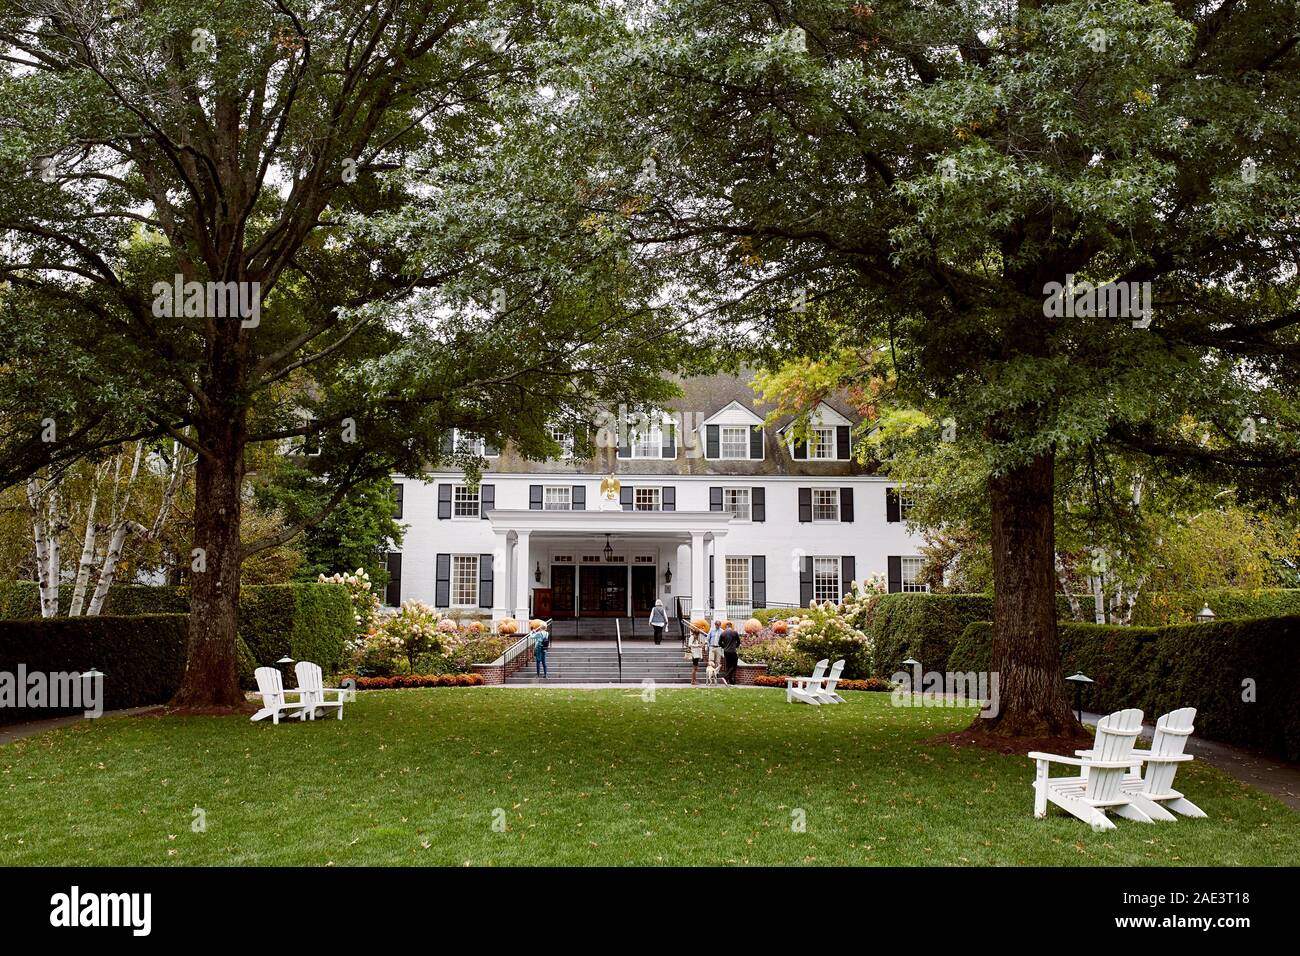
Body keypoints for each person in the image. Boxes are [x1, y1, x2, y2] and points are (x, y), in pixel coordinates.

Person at [719, 621, 741, 686]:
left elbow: (719, 643)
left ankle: (730, 681)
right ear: (731, 626)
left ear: (726, 626)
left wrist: (724, 647)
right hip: (733, 651)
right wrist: (735, 646)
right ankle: (726, 678)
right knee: (734, 666)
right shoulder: (735, 632)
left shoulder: (723, 633)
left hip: (726, 652)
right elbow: (738, 642)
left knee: (728, 666)